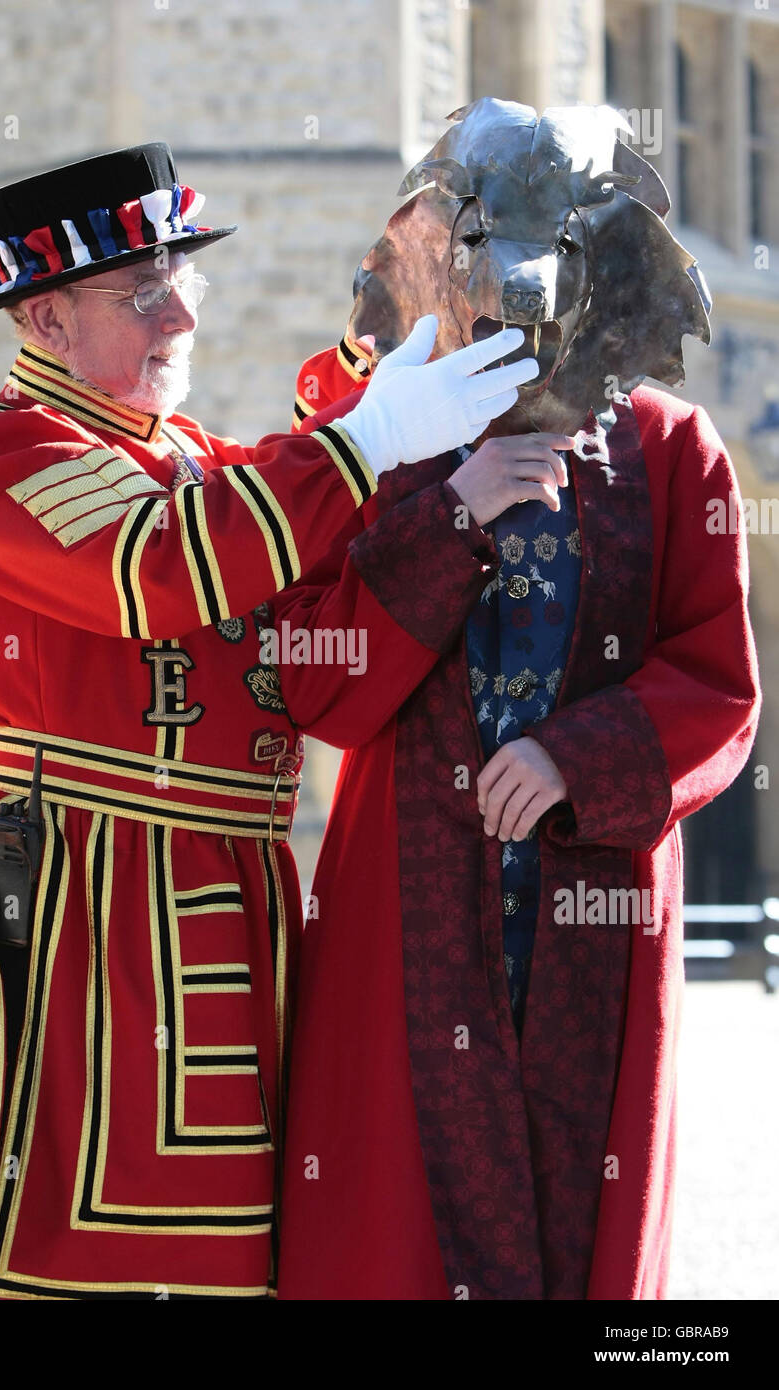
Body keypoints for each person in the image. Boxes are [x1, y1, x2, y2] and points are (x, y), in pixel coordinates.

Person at [0, 140, 533, 1299]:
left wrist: (450, 502)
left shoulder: (208, 462)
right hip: (89, 890)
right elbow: (162, 563)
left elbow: (316, 611)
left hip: (229, 893)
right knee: (98, 1257)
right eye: (143, 293)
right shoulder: (4, 452)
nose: (181, 315)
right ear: (48, 318)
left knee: (241, 1255)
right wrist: (366, 441)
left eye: (186, 284)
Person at [273, 300, 761, 1301]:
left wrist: (573, 761)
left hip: (596, 900)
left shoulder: (672, 448)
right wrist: (454, 514)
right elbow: (316, 682)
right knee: (396, 1229)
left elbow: (720, 686)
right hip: (405, 901)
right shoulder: (381, 437)